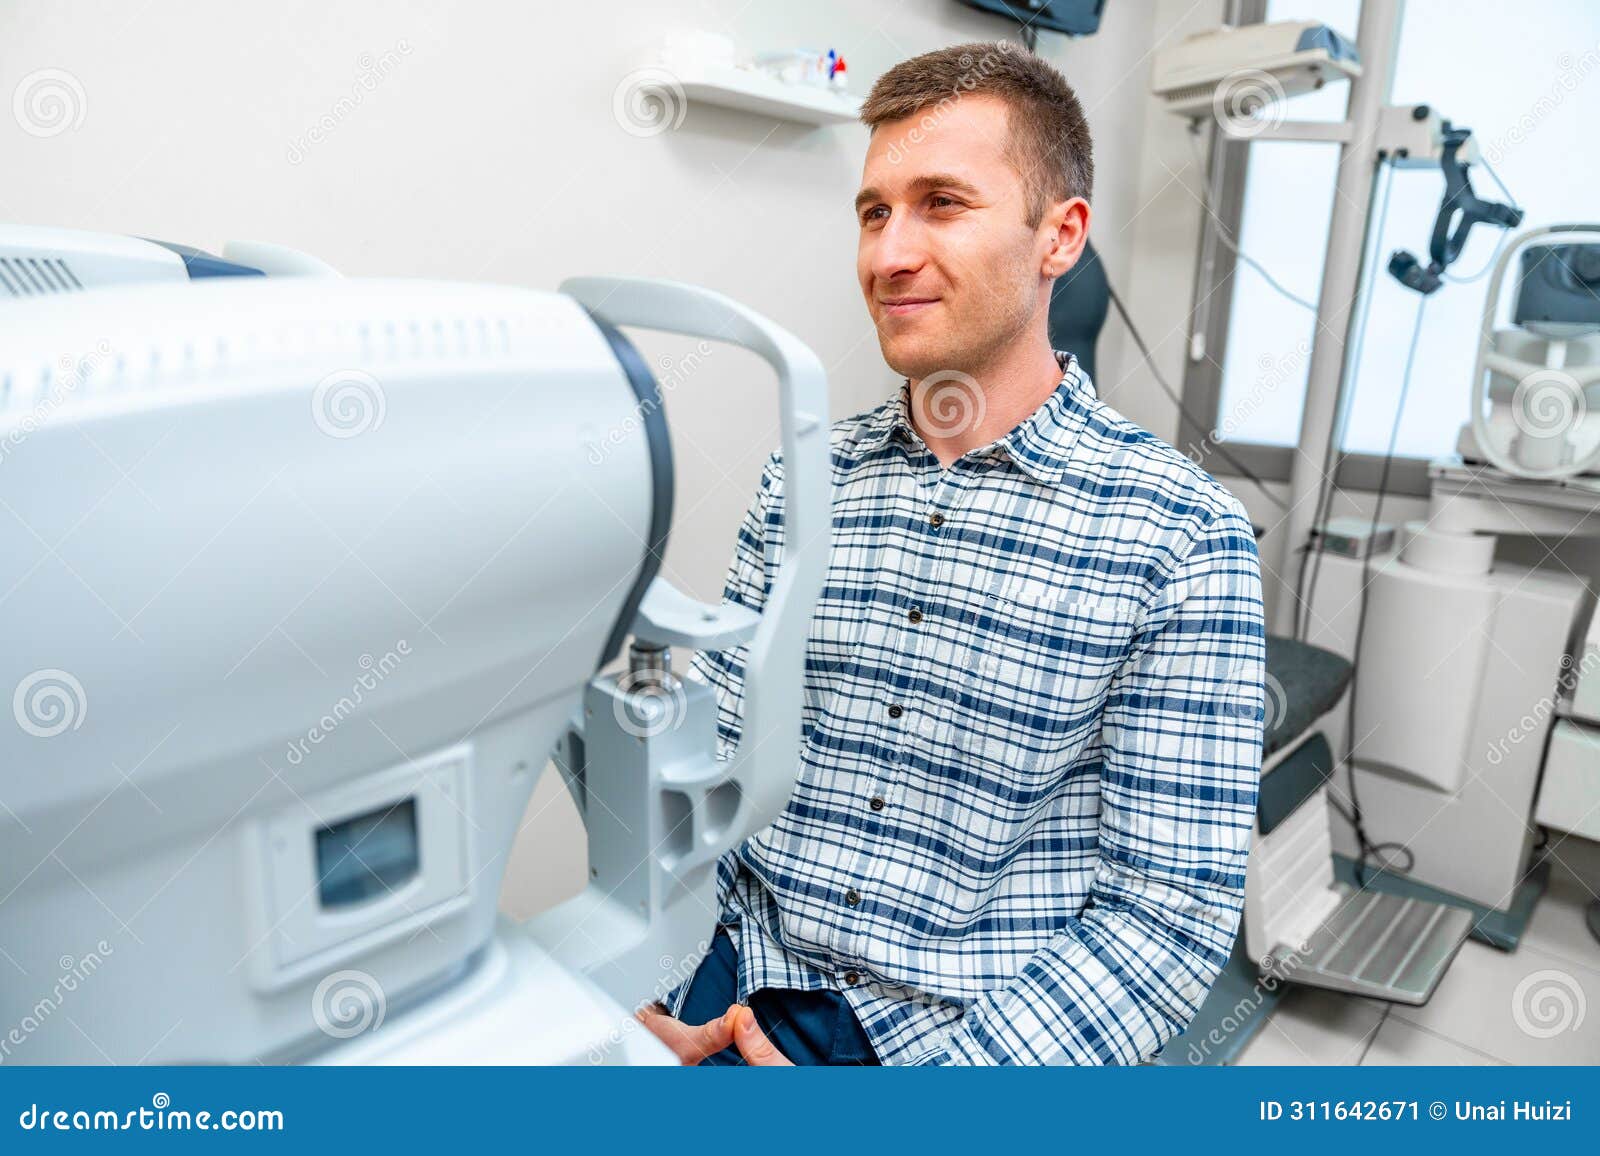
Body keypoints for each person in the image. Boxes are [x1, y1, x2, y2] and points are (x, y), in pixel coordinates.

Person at [638, 40, 1265, 1066]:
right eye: (875, 211)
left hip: (948, 1044)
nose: (888, 254)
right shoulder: (807, 477)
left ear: (1058, 236)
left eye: (942, 203)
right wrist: (648, 978)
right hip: (722, 982)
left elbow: (1164, 916)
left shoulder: (1181, 538)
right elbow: (709, 768)